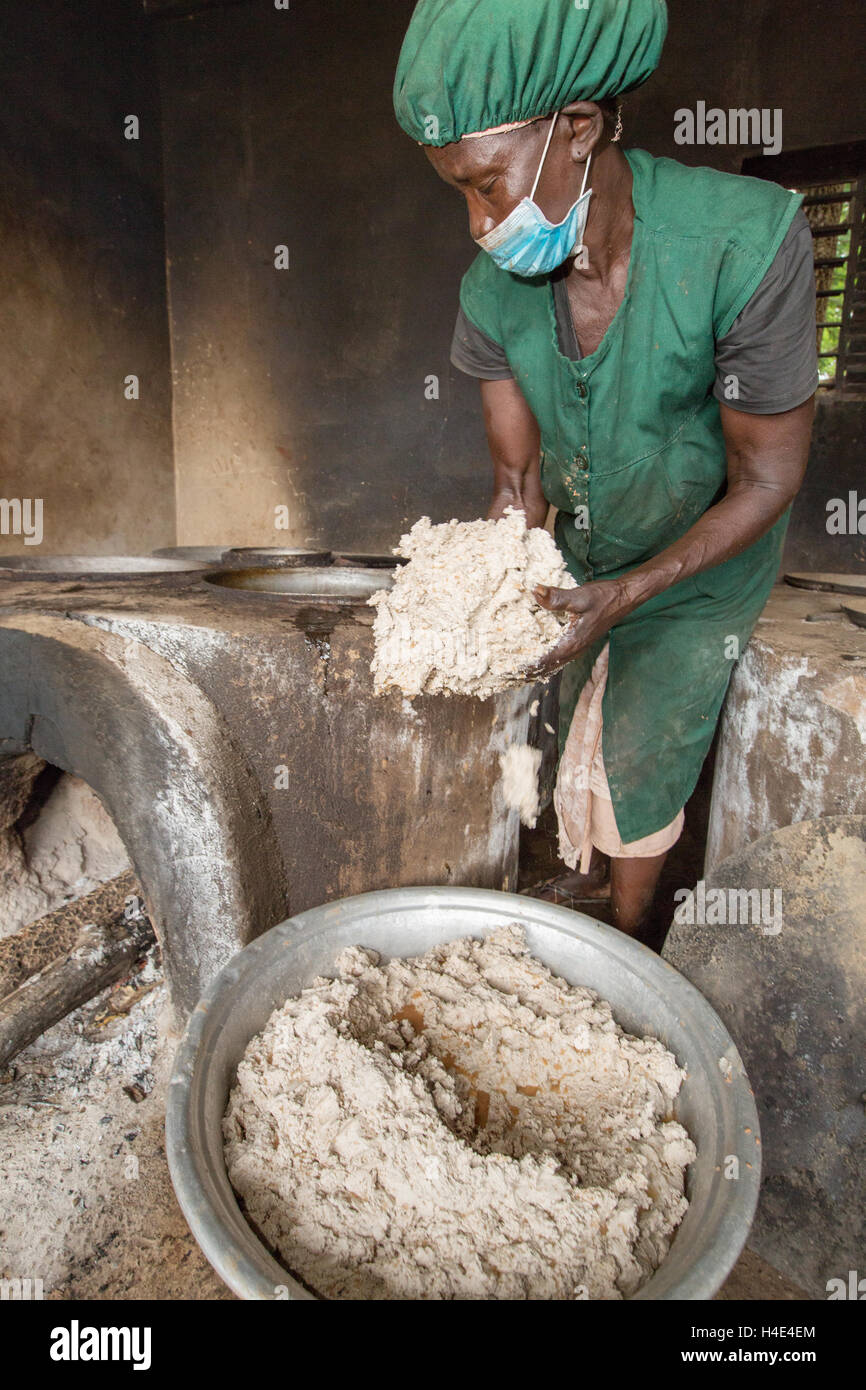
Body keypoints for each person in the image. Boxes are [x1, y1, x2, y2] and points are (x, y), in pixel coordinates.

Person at [393, 0, 818, 940]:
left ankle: (629, 937)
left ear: (576, 130)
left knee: (642, 748)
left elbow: (766, 479)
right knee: (547, 715)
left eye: (488, 185)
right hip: (589, 545)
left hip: (705, 558)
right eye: (457, 192)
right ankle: (574, 885)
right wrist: (478, 598)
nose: (476, 223)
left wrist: (631, 597)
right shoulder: (488, 295)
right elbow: (516, 487)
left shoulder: (743, 246)